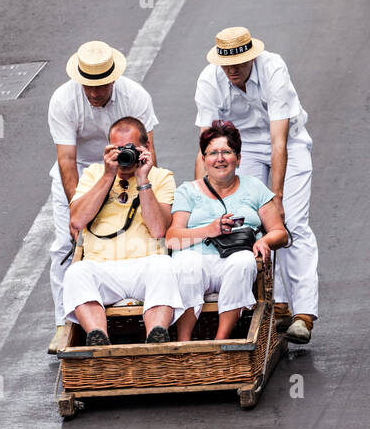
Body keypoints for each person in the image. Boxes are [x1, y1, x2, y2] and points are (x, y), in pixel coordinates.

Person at [194, 27, 319, 343]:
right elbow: (204, 145)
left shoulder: (273, 67)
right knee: (247, 223)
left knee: (292, 222)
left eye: (239, 62)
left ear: (252, 57)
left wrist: (275, 197)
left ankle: (304, 313)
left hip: (289, 142)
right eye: (227, 64)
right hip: (243, 147)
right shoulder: (210, 80)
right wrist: (200, 197)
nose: (233, 71)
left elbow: (279, 140)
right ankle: (276, 303)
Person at [47, 40, 158, 327]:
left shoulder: (136, 96)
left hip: (127, 170)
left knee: (136, 236)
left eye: (101, 86)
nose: (94, 93)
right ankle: (64, 324)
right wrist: (77, 210)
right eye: (88, 86)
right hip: (82, 170)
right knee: (64, 246)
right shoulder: (62, 100)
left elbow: (149, 151)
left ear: (113, 78)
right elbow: (67, 160)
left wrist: (148, 189)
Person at [62, 117, 183, 346]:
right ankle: (98, 339)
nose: (124, 154)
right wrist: (108, 175)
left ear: (146, 148)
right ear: (108, 148)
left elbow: (159, 230)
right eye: (118, 149)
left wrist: (143, 180)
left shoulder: (161, 177)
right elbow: (77, 220)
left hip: (145, 264)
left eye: (130, 148)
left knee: (165, 266)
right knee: (76, 273)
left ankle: (156, 336)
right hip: (101, 267)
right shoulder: (94, 174)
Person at [166, 121, 288, 341]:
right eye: (212, 153)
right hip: (197, 260)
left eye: (227, 152)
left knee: (242, 260)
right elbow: (172, 238)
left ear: (238, 158)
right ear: (203, 160)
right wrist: (209, 230)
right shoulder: (188, 191)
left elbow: (280, 232)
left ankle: (221, 341)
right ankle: (183, 342)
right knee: (187, 264)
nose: (219, 158)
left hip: (234, 260)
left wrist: (265, 241)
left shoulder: (254, 187)